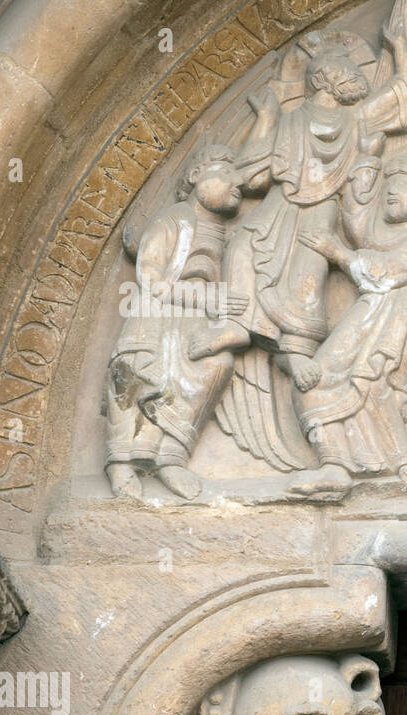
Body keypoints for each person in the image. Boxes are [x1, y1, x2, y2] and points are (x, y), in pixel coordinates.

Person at [188, 3, 407, 404]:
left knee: (305, 279)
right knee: (246, 245)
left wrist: (401, 44)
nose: (353, 78)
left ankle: (295, 354)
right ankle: (235, 323)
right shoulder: (300, 120)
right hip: (284, 209)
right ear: (331, 79)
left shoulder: (355, 120)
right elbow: (258, 175)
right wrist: (266, 117)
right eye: (347, 72)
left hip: (317, 213)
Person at [287, 156, 407, 497]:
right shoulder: (383, 229)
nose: (392, 191)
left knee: (378, 384)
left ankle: (404, 463)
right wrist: (359, 175)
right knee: (314, 381)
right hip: (373, 310)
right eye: (389, 185)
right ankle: (334, 464)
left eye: (404, 184)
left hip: (401, 315)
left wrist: (338, 252)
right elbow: (358, 225)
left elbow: (386, 271)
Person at [105, 143, 244, 500]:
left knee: (218, 362)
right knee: (137, 371)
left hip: (195, 323)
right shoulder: (175, 218)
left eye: (239, 178)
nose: (237, 182)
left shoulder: (228, 232)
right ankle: (121, 461)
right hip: (158, 316)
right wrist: (203, 297)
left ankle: (170, 456)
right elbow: (149, 276)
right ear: (196, 176)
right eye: (226, 174)